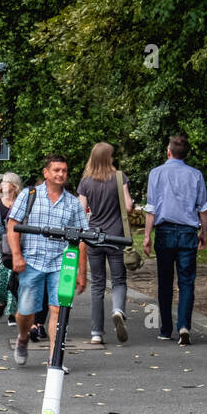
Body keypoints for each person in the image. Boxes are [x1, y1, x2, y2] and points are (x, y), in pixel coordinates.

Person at [7, 155, 89, 366]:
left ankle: (55, 358)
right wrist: (16, 255)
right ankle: (23, 337)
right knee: (26, 312)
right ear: (46, 173)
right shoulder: (29, 195)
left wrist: (82, 272)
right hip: (31, 261)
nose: (61, 174)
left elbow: (81, 238)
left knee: (58, 310)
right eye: (56, 170)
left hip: (61, 264)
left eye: (64, 170)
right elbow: (12, 225)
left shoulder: (72, 202)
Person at [143, 133, 207, 345]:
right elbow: (203, 208)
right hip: (188, 232)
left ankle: (165, 328)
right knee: (187, 281)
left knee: (165, 281)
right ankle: (184, 326)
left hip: (164, 232)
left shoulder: (156, 173)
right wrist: (203, 233)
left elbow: (151, 208)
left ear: (168, 152)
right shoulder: (196, 175)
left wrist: (146, 236)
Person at [76, 142, 133, 345]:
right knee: (118, 280)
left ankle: (96, 333)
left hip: (93, 237)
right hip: (115, 236)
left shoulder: (85, 182)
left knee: (98, 285)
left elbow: (81, 211)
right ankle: (118, 311)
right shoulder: (119, 178)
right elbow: (127, 205)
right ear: (108, 157)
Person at [0, 172, 22, 327]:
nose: (2, 184)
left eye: (5, 182)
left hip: (15, 247)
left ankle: (12, 313)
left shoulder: (21, 203)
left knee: (13, 282)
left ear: (13, 185)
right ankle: (2, 302)